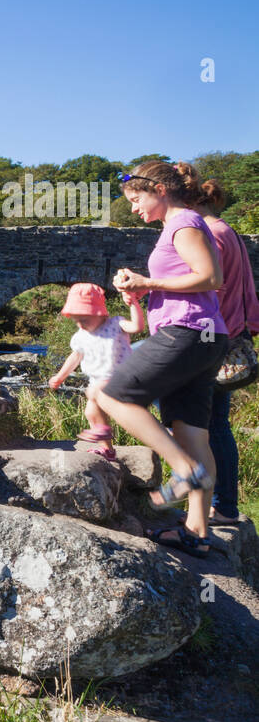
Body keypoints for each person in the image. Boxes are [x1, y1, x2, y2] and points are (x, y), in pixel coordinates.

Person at [96, 160, 227, 558]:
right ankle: (196, 533)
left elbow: (210, 277)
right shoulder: (182, 223)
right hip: (207, 336)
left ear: (159, 190)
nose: (135, 208)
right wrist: (139, 292)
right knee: (193, 435)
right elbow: (194, 281)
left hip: (187, 333)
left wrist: (149, 281)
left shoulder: (182, 222)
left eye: (137, 199)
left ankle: (184, 471)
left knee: (112, 394)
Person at [195, 169, 259, 524]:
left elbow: (211, 287)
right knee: (215, 424)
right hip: (228, 333)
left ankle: (218, 502)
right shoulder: (225, 229)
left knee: (211, 424)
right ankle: (223, 506)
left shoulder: (212, 233)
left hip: (215, 336)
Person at [47, 282, 142, 460]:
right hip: (98, 382)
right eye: (76, 322)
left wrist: (133, 304)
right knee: (91, 413)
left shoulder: (116, 324)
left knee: (93, 394)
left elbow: (137, 327)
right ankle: (108, 450)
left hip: (122, 376)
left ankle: (107, 432)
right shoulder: (81, 336)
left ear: (100, 313)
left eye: (84, 320)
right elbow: (75, 357)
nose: (81, 325)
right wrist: (60, 377)